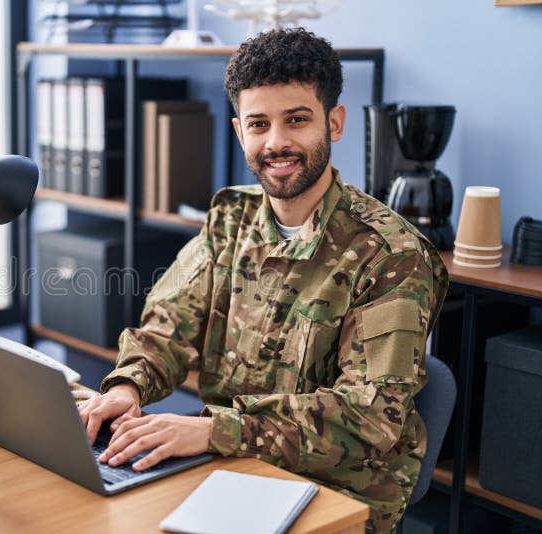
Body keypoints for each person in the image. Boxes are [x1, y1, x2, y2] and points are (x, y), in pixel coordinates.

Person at [79, 27, 448, 533]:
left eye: (297, 120)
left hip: (338, 494)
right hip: (230, 466)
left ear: (333, 123)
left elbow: (368, 419)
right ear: (240, 131)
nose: (277, 142)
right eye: (259, 124)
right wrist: (128, 384)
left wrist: (212, 429)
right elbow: (168, 325)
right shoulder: (230, 218)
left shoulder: (392, 255)